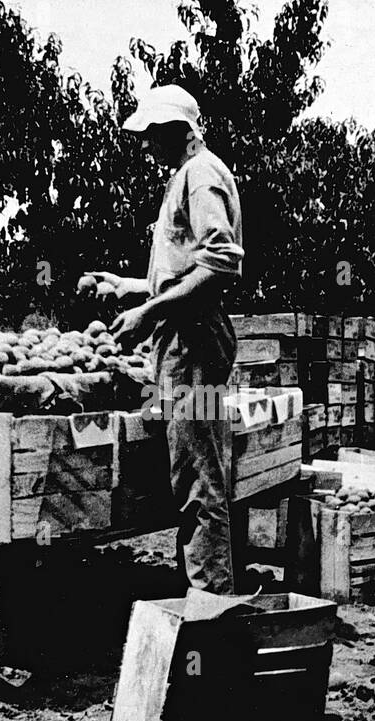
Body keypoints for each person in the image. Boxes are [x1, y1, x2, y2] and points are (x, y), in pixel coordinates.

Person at [82, 85, 242, 594]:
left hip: (193, 340)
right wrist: (125, 286)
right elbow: (184, 269)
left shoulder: (200, 175)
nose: (146, 146)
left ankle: (210, 604)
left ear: (179, 131)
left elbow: (220, 263)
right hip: (184, 336)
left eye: (152, 135)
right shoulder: (190, 176)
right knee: (191, 471)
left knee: (199, 477)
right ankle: (202, 593)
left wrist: (147, 312)